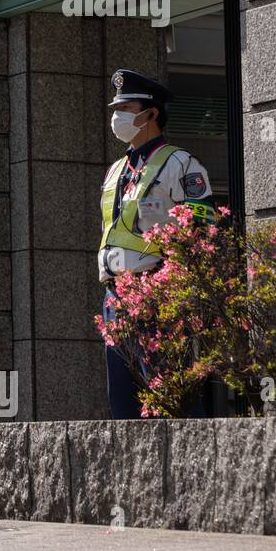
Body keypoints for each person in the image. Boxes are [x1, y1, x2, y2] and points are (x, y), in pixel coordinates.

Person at [98, 69, 214, 419]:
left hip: (157, 290)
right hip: (115, 295)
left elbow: (201, 227)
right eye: (115, 108)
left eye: (126, 107)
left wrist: (179, 287)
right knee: (123, 401)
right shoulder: (116, 169)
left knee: (169, 392)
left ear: (151, 113)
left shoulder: (180, 163)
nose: (117, 117)